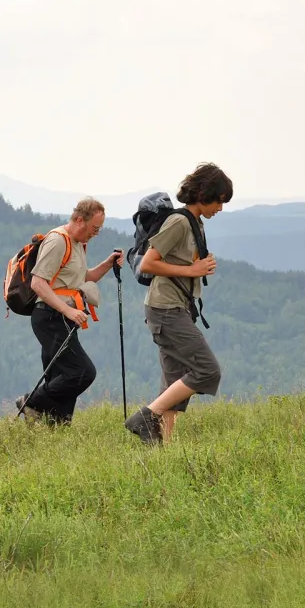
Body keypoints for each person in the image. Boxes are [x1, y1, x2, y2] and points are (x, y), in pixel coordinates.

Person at [125, 163, 232, 444]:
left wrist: (196, 267)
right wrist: (192, 271)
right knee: (208, 370)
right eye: (219, 200)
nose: (220, 208)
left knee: (174, 381)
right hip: (165, 309)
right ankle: (146, 416)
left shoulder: (195, 223)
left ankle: (164, 449)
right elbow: (148, 263)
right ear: (204, 193)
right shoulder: (179, 222)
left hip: (175, 307)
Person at [16, 197, 122, 426]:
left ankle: (58, 426)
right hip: (50, 316)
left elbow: (83, 277)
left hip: (62, 317)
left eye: (99, 229)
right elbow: (38, 283)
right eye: (94, 228)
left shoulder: (78, 244)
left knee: (60, 374)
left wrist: (107, 264)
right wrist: (68, 311)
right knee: (82, 372)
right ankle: (31, 402)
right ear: (78, 219)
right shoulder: (57, 241)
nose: (96, 233)